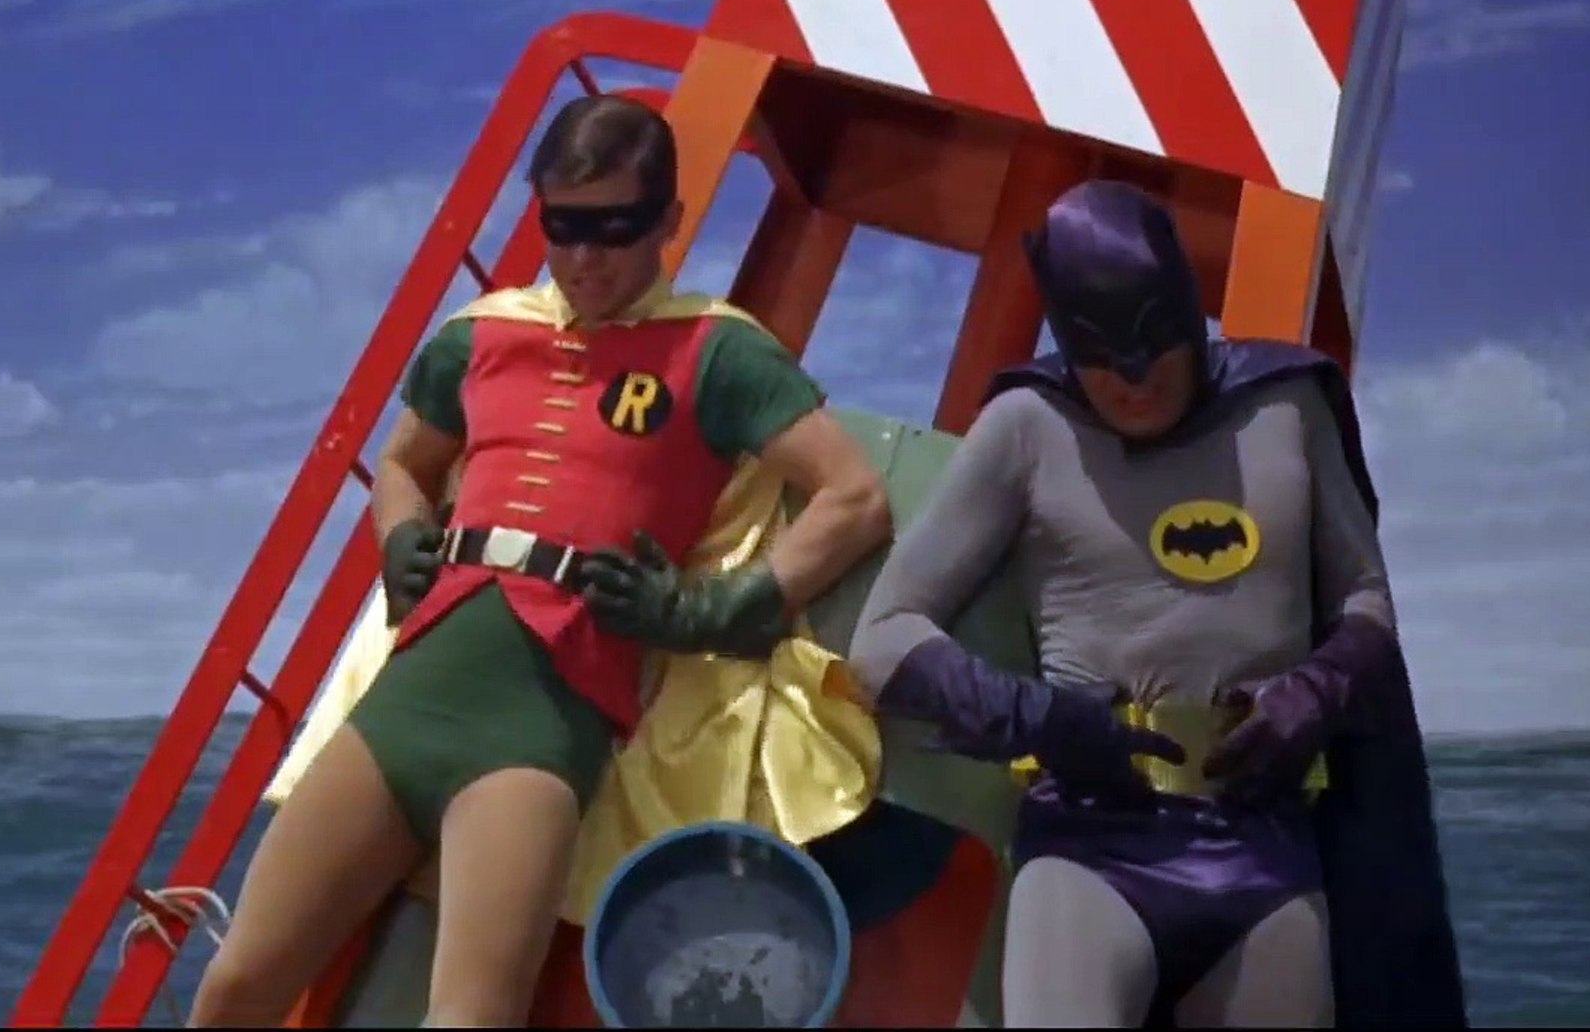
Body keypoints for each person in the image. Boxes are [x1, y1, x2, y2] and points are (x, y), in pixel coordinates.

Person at [188, 94, 892, 1027]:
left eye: (615, 227)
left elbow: (856, 496)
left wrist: (713, 611)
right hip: (409, 699)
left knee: (472, 1019)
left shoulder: (719, 352)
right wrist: (400, 536)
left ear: (669, 222)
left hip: (539, 731)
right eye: (564, 226)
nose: (586, 256)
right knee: (236, 986)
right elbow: (401, 464)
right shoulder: (482, 334)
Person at [847, 179, 1465, 1027]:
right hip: (1092, 845)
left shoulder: (1286, 405)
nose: (1132, 382)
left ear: (1185, 313)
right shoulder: (1028, 424)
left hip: (1263, 846)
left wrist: (1316, 691)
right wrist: (1035, 718)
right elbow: (881, 640)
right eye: (1101, 359)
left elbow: (1365, 598)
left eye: (1152, 348)